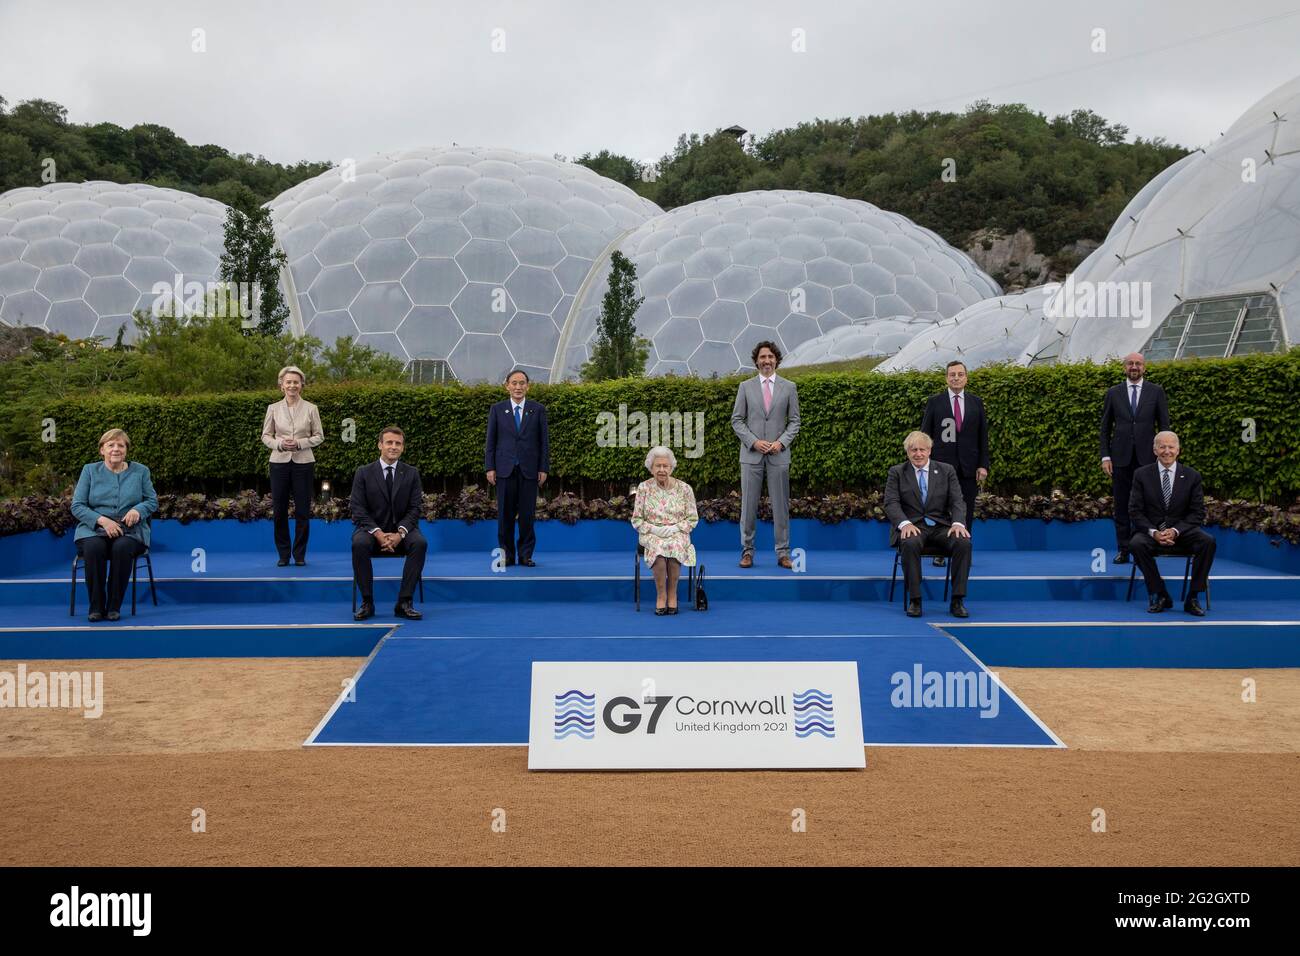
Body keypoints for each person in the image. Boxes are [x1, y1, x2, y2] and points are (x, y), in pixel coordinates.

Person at [70, 429, 158, 622]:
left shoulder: (141, 471)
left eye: (121, 445)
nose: (116, 449)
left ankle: (114, 606)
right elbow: (77, 506)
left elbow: (152, 501)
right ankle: (96, 607)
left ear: (126, 450)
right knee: (93, 547)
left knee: (122, 547)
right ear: (102, 450)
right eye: (111, 445)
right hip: (94, 529)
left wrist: (138, 510)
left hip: (130, 531)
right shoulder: (90, 470)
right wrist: (102, 520)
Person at [883, 431, 972, 619]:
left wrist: (958, 523)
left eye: (922, 449)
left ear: (929, 451)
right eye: (913, 450)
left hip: (940, 526)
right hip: (913, 526)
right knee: (909, 542)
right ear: (907, 452)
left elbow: (957, 500)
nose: (918, 454)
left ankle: (957, 600)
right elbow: (891, 502)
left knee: (963, 542)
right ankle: (915, 600)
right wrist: (904, 524)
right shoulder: (897, 472)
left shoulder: (946, 470)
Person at [1128, 431, 1215, 616]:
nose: (1167, 451)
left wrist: (1175, 531)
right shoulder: (1141, 475)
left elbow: (1197, 513)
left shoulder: (1192, 476)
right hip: (1152, 532)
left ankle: (1192, 597)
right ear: (1154, 449)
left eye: (1171, 447)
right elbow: (1135, 511)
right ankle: (1160, 594)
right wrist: (1154, 532)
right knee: (1136, 544)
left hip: (1182, 532)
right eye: (1162, 446)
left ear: (1178, 450)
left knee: (1207, 541)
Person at [731, 341, 800, 569]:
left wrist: (781, 442)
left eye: (770, 357)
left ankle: (783, 553)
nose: (766, 361)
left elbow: (795, 422)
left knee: (781, 506)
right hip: (751, 456)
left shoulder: (789, 387)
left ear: (776, 360)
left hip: (779, 456)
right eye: (762, 357)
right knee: (748, 507)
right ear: (756, 361)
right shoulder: (745, 387)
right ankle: (747, 551)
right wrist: (754, 442)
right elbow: (737, 420)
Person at [350, 426, 427, 621]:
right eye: (389, 443)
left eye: (398, 443)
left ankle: (404, 602)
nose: (393, 447)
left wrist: (400, 533)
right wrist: (378, 533)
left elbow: (415, 508)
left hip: (403, 531)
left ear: (403, 448)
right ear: (380, 445)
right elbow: (358, 509)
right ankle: (367, 602)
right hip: (370, 530)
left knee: (419, 543)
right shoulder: (363, 472)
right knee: (358, 543)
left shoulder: (411, 473)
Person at [1100, 352, 1169, 564]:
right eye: (1130, 363)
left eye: (1138, 364)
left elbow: (1164, 428)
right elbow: (1105, 428)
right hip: (1120, 460)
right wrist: (1105, 456)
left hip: (1148, 460)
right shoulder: (1114, 393)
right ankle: (1124, 549)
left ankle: (1144, 549)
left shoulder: (1156, 392)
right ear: (1124, 367)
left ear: (1144, 368)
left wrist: (1164, 456)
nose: (1134, 367)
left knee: (1148, 506)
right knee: (1121, 506)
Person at [920, 360, 989, 567]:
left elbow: (982, 437)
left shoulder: (976, 402)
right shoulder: (935, 402)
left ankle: (962, 550)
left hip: (969, 467)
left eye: (960, 374)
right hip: (940, 467)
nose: (956, 378)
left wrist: (983, 464)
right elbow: (925, 436)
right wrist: (925, 464)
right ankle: (940, 552)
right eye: (952, 374)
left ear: (966, 377)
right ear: (946, 378)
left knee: (965, 510)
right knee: (940, 509)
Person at [261, 365, 324, 567]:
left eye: (296, 382)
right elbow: (265, 436)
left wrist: (300, 443)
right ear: (282, 385)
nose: (292, 385)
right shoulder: (273, 408)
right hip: (278, 463)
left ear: (301, 385)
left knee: (303, 510)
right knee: (279, 510)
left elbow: (319, 436)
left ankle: (299, 555)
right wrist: (279, 444)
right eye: (288, 382)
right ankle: (283, 554)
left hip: (303, 463)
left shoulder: (311, 408)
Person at [485, 369, 549, 567]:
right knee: (505, 515)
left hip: (529, 470)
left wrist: (543, 468)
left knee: (527, 515)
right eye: (514, 383)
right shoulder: (497, 409)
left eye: (522, 383)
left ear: (528, 386)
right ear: (507, 386)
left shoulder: (537, 409)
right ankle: (506, 555)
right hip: (504, 470)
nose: (518, 387)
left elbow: (543, 442)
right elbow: (491, 441)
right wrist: (490, 467)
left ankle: (525, 554)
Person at [631, 446, 699, 615]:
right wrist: (654, 529)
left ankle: (672, 594)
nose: (662, 470)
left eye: (665, 466)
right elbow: (637, 519)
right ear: (651, 468)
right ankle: (661, 595)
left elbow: (692, 518)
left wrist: (675, 528)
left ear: (671, 467)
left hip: (677, 532)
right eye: (657, 466)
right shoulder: (644, 488)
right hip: (651, 533)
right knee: (659, 550)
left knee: (675, 546)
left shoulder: (685, 489)